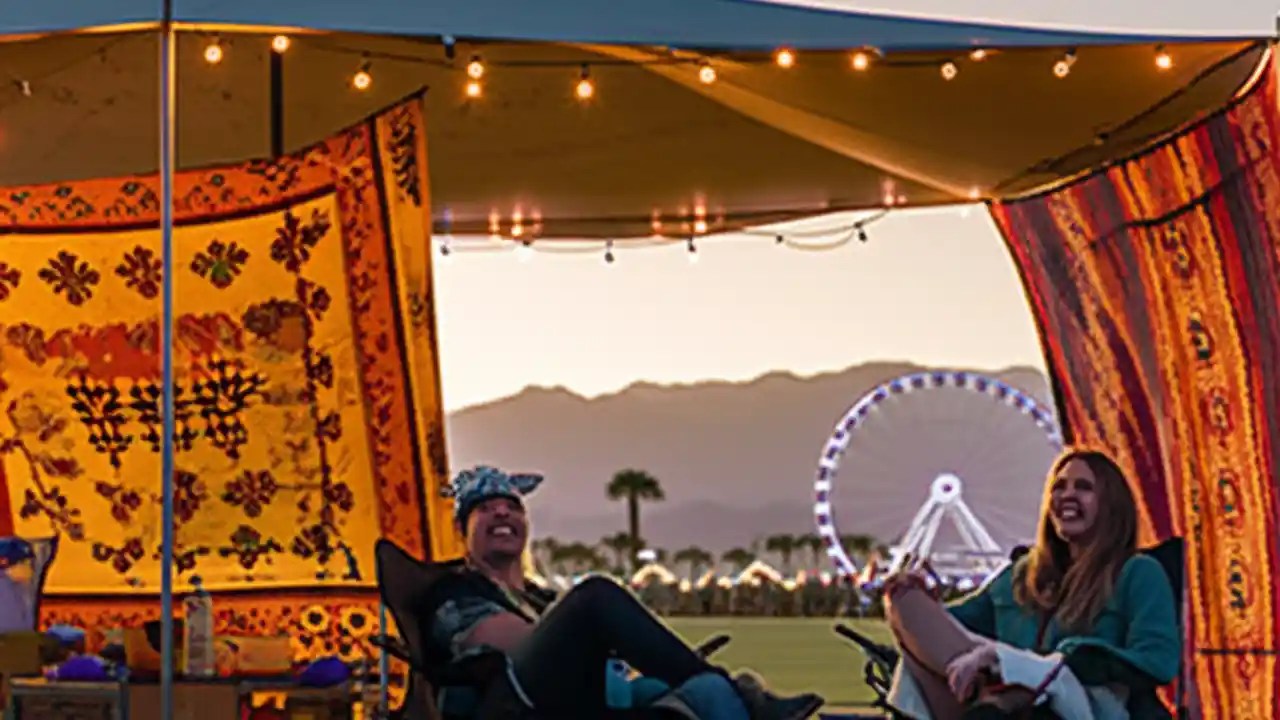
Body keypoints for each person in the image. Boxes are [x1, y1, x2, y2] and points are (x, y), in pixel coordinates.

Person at [425, 465, 824, 720]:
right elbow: (510, 643)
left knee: (699, 694)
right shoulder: (455, 591)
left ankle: (725, 691)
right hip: (515, 705)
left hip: (585, 704)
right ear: (462, 531)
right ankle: (738, 690)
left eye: (512, 508)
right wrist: (596, 633)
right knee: (594, 595)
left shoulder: (541, 596)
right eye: (486, 509)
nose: (502, 514)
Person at [882, 449, 1180, 720]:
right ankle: (991, 693)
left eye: (1084, 487)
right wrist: (923, 597)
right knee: (905, 598)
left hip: (1074, 704)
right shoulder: (1021, 575)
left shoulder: (1137, 572)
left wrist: (1068, 657)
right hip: (986, 691)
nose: (1067, 495)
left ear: (1112, 504)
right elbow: (950, 632)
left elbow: (1158, 661)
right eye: (1058, 487)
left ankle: (1002, 689)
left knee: (1018, 679)